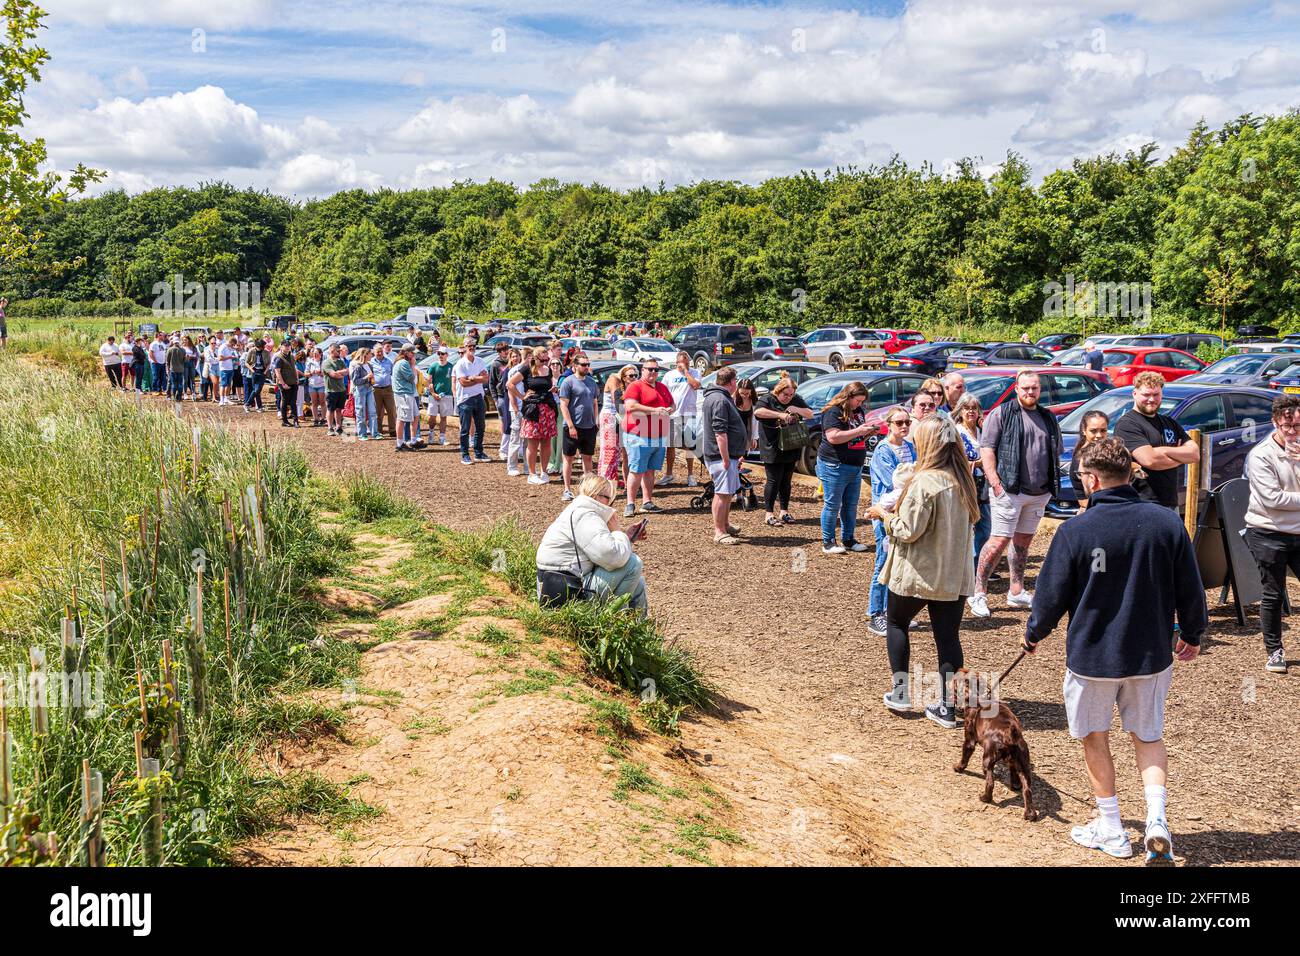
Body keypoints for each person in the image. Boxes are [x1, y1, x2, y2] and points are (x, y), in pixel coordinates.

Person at [1025, 437, 1205, 863]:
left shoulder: (1075, 531)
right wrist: (1193, 633)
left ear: (1090, 479)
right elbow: (1190, 586)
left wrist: (1034, 632)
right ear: (1129, 473)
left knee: (1094, 737)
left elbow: (1050, 596)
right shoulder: (1166, 522)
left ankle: (1111, 828)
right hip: (1150, 654)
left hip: (1093, 657)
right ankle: (1157, 820)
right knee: (1148, 736)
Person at [867, 417, 980, 728]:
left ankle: (901, 693)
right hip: (953, 574)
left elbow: (907, 529)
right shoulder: (963, 479)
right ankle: (947, 707)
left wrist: (883, 515)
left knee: (897, 622)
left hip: (918, 571)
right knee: (947, 638)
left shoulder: (924, 482)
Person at [968, 370, 1062, 617]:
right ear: (1017, 389)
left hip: (1039, 493)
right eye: (1026, 388)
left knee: (1023, 542)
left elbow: (1055, 451)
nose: (1030, 392)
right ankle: (978, 593)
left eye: (1035, 388)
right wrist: (995, 482)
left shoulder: (1047, 417)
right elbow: (987, 449)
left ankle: (1016, 591)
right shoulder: (1002, 413)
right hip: (1008, 490)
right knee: (999, 540)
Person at [1243, 393, 1300, 674]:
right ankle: (1274, 650)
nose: (1291, 432)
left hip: (1298, 531)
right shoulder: (1261, 455)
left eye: (1297, 426)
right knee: (1273, 593)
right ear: (1275, 423)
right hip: (1267, 532)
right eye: (1286, 426)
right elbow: (1273, 500)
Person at [535, 473, 649, 611]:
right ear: (596, 496)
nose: (611, 505)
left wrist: (627, 537)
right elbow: (612, 557)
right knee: (633, 564)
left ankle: (636, 628)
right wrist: (617, 532)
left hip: (559, 586)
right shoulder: (586, 516)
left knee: (639, 583)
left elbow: (598, 551)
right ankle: (615, 620)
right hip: (569, 592)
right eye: (609, 499)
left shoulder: (579, 511)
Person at [1114, 372, 1199, 510]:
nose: (1151, 399)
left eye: (1156, 394)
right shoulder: (1127, 424)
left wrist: (1162, 450)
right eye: (1146, 395)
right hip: (1141, 503)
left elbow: (1195, 454)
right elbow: (1150, 460)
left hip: (1170, 503)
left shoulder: (1169, 423)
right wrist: (1180, 457)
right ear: (1134, 394)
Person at [867, 406, 916, 635]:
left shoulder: (910, 447)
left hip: (903, 512)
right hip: (885, 512)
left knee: (900, 564)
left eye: (907, 422)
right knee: (884, 561)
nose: (904, 426)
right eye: (899, 423)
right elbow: (896, 482)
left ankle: (893, 612)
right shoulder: (883, 451)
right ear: (889, 424)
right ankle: (876, 614)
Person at [815, 381, 872, 554]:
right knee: (832, 505)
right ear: (848, 397)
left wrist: (868, 433)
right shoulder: (833, 411)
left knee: (850, 505)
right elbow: (834, 437)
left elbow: (855, 438)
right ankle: (828, 542)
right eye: (857, 401)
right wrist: (859, 431)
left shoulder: (858, 412)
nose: (859, 405)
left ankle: (848, 539)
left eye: (862, 402)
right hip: (835, 464)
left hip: (854, 465)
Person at [754, 371, 813, 527]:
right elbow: (758, 412)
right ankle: (769, 513)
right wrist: (780, 415)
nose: (788, 397)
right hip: (772, 446)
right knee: (774, 480)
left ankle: (784, 511)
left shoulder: (795, 400)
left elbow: (810, 413)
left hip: (790, 444)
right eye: (786, 394)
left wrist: (795, 408)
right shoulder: (768, 399)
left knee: (786, 481)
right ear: (778, 391)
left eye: (791, 394)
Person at [701, 367, 748, 546]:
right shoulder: (719, 399)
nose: (736, 384)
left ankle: (725, 525)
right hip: (720, 456)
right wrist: (726, 458)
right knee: (722, 494)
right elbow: (720, 432)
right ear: (731, 382)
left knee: (727, 493)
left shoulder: (717, 397)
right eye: (736, 381)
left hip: (724, 456)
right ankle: (719, 531)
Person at [621, 358, 674, 516]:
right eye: (649, 369)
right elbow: (630, 405)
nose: (653, 372)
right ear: (642, 370)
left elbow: (673, 404)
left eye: (656, 370)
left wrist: (669, 409)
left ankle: (647, 501)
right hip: (638, 435)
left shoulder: (662, 387)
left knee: (650, 470)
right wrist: (655, 410)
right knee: (636, 470)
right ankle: (630, 504)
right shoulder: (635, 386)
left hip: (658, 435)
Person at [952, 394, 991, 564]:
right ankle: (964, 566)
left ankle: (978, 565)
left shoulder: (982, 430)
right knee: (965, 526)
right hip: (965, 484)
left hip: (983, 484)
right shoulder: (957, 432)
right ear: (960, 411)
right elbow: (955, 461)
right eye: (966, 408)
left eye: (974, 408)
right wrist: (981, 462)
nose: (971, 411)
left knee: (985, 526)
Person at [559, 353, 599, 501]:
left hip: (589, 426)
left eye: (587, 364)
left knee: (587, 458)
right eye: (583, 364)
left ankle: (586, 490)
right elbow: (563, 405)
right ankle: (567, 489)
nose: (586, 367)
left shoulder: (591, 382)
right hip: (573, 426)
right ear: (575, 366)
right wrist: (570, 426)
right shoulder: (568, 382)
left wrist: (595, 421)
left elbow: (594, 402)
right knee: (568, 458)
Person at [515, 346, 558, 483]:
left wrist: (554, 389)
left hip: (547, 409)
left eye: (547, 359)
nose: (546, 362)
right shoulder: (527, 369)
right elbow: (510, 384)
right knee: (532, 443)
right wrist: (522, 396)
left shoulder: (548, 370)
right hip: (533, 409)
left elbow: (548, 386)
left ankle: (544, 472)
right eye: (543, 359)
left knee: (546, 442)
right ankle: (532, 474)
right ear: (536, 357)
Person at [660, 352, 701, 487]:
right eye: (682, 363)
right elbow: (662, 393)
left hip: (689, 414)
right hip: (673, 414)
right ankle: (669, 474)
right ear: (676, 362)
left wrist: (686, 372)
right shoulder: (669, 375)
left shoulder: (694, 373)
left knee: (690, 445)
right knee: (670, 444)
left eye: (687, 362)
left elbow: (695, 385)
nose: (685, 365)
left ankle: (690, 475)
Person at [453, 339, 491, 464]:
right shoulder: (460, 364)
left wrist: (472, 377)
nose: (472, 348)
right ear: (464, 347)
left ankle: (478, 453)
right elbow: (463, 383)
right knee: (465, 429)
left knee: (480, 427)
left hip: (479, 397)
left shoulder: (480, 361)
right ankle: (464, 454)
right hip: (465, 399)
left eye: (474, 346)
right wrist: (477, 378)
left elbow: (486, 379)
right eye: (469, 346)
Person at [1070, 410, 1110, 511]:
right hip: (1095, 510)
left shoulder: (1111, 452)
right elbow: (1082, 499)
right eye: (1093, 431)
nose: (1099, 435)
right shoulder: (1080, 458)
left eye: (1103, 430)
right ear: (1084, 430)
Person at [392, 345, 420, 451]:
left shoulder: (402, 362)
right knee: (402, 419)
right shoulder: (403, 363)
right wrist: (413, 365)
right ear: (406, 352)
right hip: (403, 393)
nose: (414, 355)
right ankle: (399, 444)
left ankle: (413, 441)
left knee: (416, 416)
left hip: (408, 393)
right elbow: (411, 378)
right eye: (412, 353)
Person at [490, 341, 513, 461]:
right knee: (506, 423)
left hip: (513, 395)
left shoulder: (513, 362)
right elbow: (492, 383)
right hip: (502, 395)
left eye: (506, 349)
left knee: (515, 423)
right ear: (499, 352)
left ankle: (514, 449)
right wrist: (495, 399)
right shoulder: (495, 364)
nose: (505, 351)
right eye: (503, 350)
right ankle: (503, 449)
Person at [427, 346, 455, 446]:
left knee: (443, 417)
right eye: (439, 353)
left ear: (447, 355)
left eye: (442, 354)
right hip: (434, 395)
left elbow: (453, 381)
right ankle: (431, 433)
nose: (440, 356)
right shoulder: (433, 366)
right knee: (432, 416)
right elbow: (429, 381)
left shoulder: (451, 367)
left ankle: (442, 437)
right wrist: (433, 393)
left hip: (446, 395)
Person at [349, 346, 377, 440]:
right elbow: (355, 381)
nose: (371, 355)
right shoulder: (357, 366)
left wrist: (372, 380)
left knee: (372, 412)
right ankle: (362, 434)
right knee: (361, 412)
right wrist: (366, 377)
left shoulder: (369, 365)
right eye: (369, 354)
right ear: (365, 355)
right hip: (360, 390)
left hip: (369, 389)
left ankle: (375, 433)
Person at [371, 343, 397, 439]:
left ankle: (392, 430)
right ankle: (379, 430)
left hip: (388, 388)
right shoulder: (371, 363)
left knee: (391, 410)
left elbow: (393, 373)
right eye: (377, 352)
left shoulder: (389, 361)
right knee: (377, 412)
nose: (379, 353)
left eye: (381, 351)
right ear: (374, 352)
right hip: (376, 390)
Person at [322, 344, 348, 435]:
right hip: (331, 390)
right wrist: (340, 373)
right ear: (332, 351)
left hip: (341, 390)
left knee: (339, 409)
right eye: (338, 351)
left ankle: (339, 427)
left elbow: (346, 371)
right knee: (330, 409)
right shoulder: (326, 363)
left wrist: (339, 373)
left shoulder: (340, 361)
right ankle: (330, 428)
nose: (340, 352)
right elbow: (333, 375)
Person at [275, 340, 300, 427]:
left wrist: (297, 378)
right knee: (285, 402)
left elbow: (294, 368)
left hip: (293, 382)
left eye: (288, 345)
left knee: (293, 402)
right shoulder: (279, 357)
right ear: (281, 346)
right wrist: (283, 384)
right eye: (285, 346)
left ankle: (295, 421)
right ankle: (284, 421)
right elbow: (277, 372)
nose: (287, 347)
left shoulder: (292, 356)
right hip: (284, 383)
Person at [734, 378, 760, 463]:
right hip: (734, 433)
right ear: (738, 391)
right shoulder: (733, 400)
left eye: (747, 393)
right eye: (742, 393)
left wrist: (754, 438)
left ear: (751, 391)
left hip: (746, 434)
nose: (744, 396)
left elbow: (756, 421)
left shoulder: (755, 402)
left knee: (742, 457)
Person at [243, 335, 269, 412]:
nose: (264, 347)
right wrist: (252, 370)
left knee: (257, 389)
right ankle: (259, 407)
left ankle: (247, 404)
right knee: (256, 390)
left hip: (262, 372)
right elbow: (246, 363)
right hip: (254, 371)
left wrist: (265, 371)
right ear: (259, 346)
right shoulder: (251, 351)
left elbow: (268, 363)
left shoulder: (266, 352)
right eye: (263, 346)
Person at [304, 347, 327, 426]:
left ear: (320, 354)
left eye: (316, 353)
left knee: (322, 402)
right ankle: (316, 419)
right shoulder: (309, 362)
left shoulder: (323, 362)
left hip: (322, 384)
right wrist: (311, 373)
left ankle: (323, 419)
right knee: (314, 403)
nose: (315, 354)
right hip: (312, 384)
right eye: (313, 353)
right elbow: (305, 374)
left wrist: (320, 373)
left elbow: (327, 373)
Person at [165, 336, 188, 401]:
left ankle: (174, 396)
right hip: (180, 369)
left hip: (173, 369)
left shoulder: (170, 349)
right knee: (180, 384)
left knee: (174, 384)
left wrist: (167, 369)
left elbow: (167, 361)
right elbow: (184, 361)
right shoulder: (183, 350)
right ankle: (179, 397)